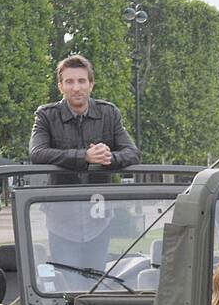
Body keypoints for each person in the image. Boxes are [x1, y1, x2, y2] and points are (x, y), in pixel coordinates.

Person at [28, 54, 140, 274]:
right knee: (67, 281)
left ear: (91, 84)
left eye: (81, 81)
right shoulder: (46, 115)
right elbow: (37, 153)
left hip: (99, 219)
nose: (76, 87)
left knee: (95, 281)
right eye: (69, 82)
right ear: (60, 86)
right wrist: (84, 157)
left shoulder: (109, 113)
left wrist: (109, 157)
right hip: (61, 220)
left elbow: (132, 153)